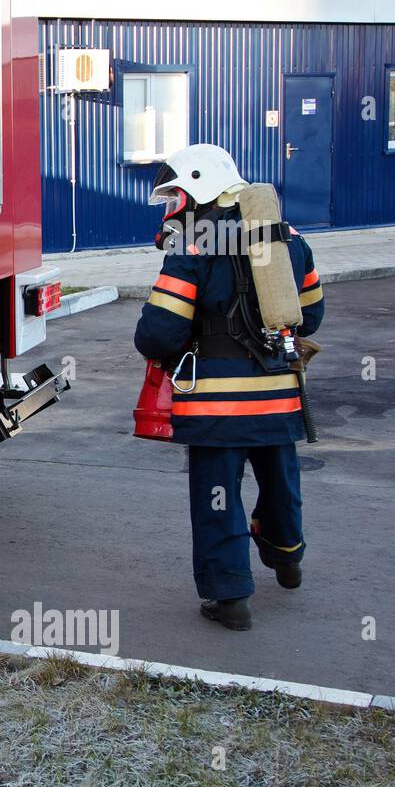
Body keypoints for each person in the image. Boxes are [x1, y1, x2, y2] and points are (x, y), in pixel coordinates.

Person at [134, 144, 326, 631]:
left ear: (199, 184)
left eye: (175, 194)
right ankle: (287, 557)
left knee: (218, 495)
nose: (173, 206)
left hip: (216, 407)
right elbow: (313, 315)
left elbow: (158, 333)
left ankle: (230, 597)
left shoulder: (194, 244)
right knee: (281, 482)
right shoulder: (287, 236)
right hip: (280, 398)